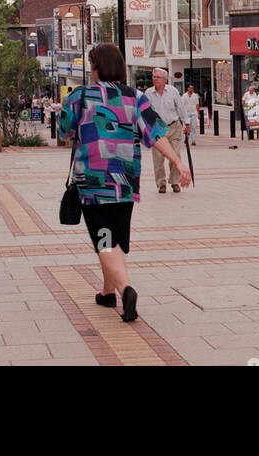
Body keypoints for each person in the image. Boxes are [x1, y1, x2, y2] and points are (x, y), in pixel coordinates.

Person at [58, 44, 189, 324]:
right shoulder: (136, 97)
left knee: (104, 240)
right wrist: (178, 163)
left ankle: (125, 288)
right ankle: (107, 293)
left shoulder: (79, 97)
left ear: (96, 67)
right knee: (113, 238)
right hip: (126, 182)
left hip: (93, 184)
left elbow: (65, 132)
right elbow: (155, 134)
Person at [142, 68, 184, 193]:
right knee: (158, 158)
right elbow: (144, 111)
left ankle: (175, 181)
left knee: (175, 155)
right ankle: (161, 183)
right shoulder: (148, 93)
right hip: (157, 128)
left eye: (158, 77)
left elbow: (180, 107)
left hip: (173, 126)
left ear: (165, 80)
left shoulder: (173, 91)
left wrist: (186, 123)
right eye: (154, 77)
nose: (155, 79)